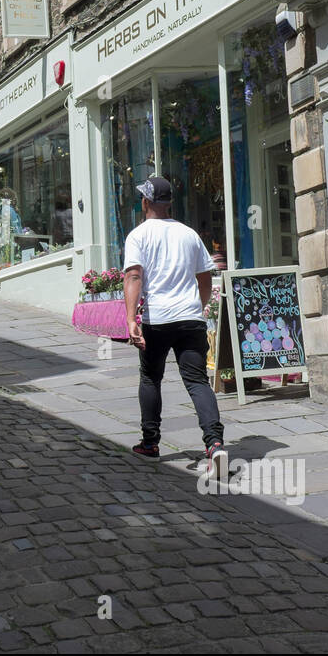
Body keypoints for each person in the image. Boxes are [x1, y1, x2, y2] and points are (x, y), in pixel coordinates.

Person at [123, 175, 225, 470]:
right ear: (168, 204)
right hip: (189, 318)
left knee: (151, 378)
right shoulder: (189, 234)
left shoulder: (138, 236)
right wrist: (199, 307)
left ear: (146, 202)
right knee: (197, 381)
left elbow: (133, 276)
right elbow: (205, 277)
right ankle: (215, 443)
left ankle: (150, 442)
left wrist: (131, 319)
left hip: (158, 319)